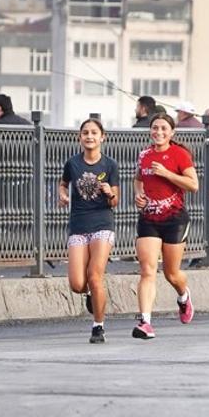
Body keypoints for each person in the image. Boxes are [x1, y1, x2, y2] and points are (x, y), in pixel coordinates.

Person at [132, 107, 199, 339]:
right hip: (149, 218)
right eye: (155, 128)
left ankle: (183, 296)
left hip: (174, 218)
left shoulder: (180, 154)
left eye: (163, 128)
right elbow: (138, 179)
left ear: (171, 132)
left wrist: (167, 174)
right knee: (147, 270)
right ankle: (145, 322)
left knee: (172, 273)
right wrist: (139, 196)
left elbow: (193, 185)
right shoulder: (144, 155)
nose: (158, 132)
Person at [58, 117, 119, 343]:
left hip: (102, 224)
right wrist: (63, 195)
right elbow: (63, 183)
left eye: (94, 132)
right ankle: (93, 294)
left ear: (103, 137)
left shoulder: (109, 165)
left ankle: (98, 326)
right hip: (78, 225)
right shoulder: (73, 163)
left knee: (95, 275)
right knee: (77, 284)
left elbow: (115, 202)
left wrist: (108, 193)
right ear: (79, 137)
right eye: (85, 133)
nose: (90, 136)